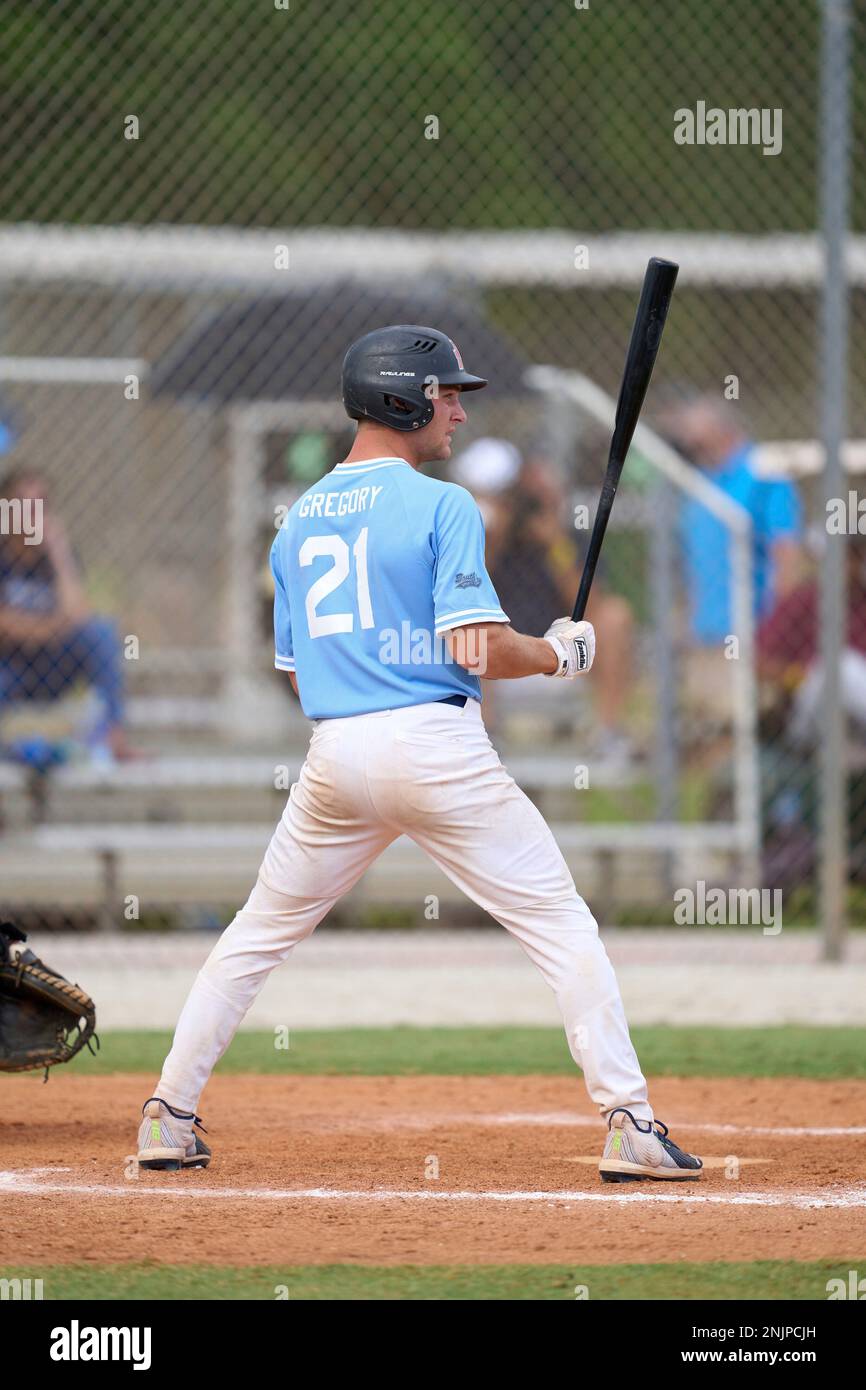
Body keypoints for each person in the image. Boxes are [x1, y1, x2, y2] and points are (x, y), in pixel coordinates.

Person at [135, 324, 701, 1184]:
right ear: (402, 398)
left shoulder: (293, 525)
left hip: (334, 753)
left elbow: (296, 672)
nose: (458, 414)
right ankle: (629, 1120)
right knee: (560, 925)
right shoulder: (445, 504)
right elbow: (480, 646)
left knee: (255, 934)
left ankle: (168, 1114)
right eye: (445, 396)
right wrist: (560, 653)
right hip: (436, 744)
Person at [660, 394, 803, 723]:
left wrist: (779, 630)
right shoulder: (697, 480)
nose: (688, 442)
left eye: (696, 434)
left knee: (741, 721)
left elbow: (786, 554)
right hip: (704, 633)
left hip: (752, 631)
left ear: (721, 430)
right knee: (707, 723)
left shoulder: (764, 472)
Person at [0, 468, 138, 761]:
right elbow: (5, 626)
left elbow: (80, 616)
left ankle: (114, 734)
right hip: (9, 668)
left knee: (102, 631)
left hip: (52, 668)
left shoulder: (58, 557)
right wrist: (53, 627)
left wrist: (59, 553)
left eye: (40, 504)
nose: (32, 514)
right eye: (23, 504)